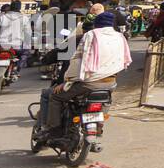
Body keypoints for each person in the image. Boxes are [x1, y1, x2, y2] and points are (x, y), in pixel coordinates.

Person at [37, 10, 131, 138]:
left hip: (87, 83)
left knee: (55, 96)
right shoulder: (120, 37)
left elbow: (79, 61)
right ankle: (99, 125)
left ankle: (54, 130)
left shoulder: (89, 36)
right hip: (110, 83)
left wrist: (67, 82)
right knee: (106, 100)